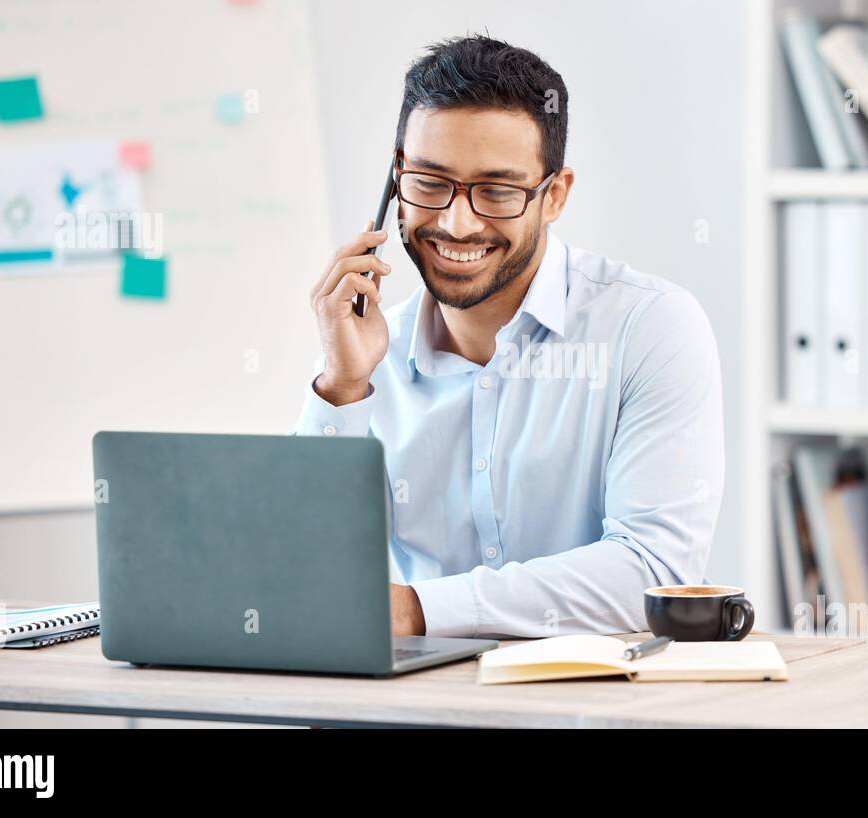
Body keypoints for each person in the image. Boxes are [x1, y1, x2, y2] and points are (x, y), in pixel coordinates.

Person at [294, 34, 724, 639]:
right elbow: (303, 582)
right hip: (419, 706)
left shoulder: (650, 329)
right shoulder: (366, 354)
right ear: (395, 183)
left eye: (496, 191)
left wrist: (416, 609)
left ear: (555, 196)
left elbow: (653, 575)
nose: (456, 222)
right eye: (429, 182)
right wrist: (340, 389)